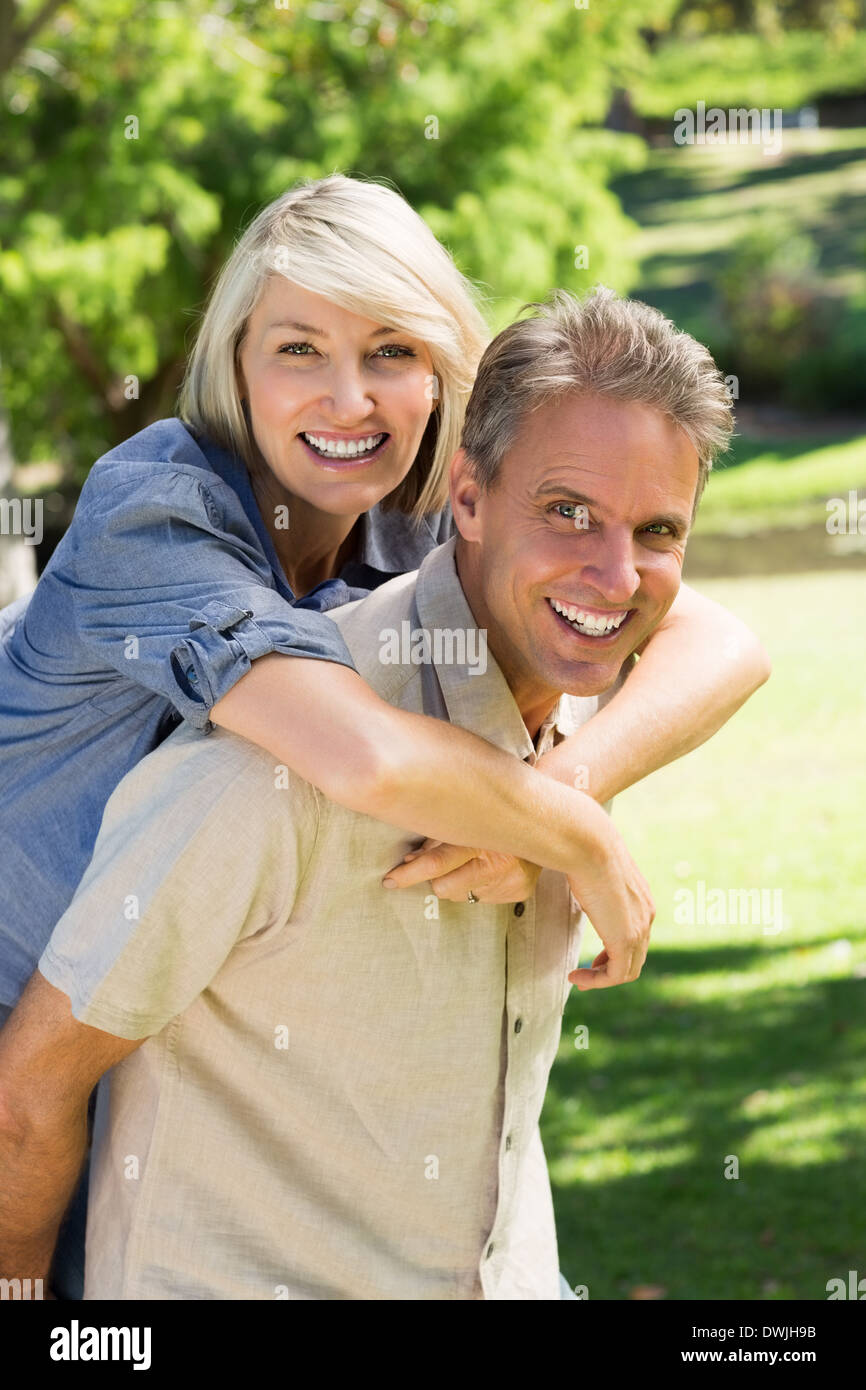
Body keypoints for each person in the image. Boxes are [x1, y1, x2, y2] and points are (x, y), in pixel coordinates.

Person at [0, 176, 767, 1295]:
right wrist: (582, 841)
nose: (348, 398)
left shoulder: (401, 509)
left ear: (440, 373)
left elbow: (709, 631)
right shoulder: (153, 515)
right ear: (233, 362)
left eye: (393, 350)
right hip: (34, 1035)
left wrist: (571, 783)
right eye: (297, 349)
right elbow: (362, 753)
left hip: (130, 1036)